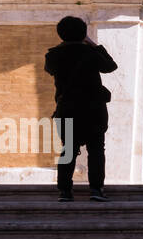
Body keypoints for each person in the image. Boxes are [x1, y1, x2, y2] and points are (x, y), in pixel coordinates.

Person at [45, 17, 117, 202]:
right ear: (83, 33)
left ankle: (65, 192)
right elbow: (110, 66)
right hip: (93, 109)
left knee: (68, 150)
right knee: (96, 150)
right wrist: (92, 44)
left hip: (67, 107)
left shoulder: (53, 55)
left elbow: (50, 69)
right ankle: (96, 189)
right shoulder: (91, 53)